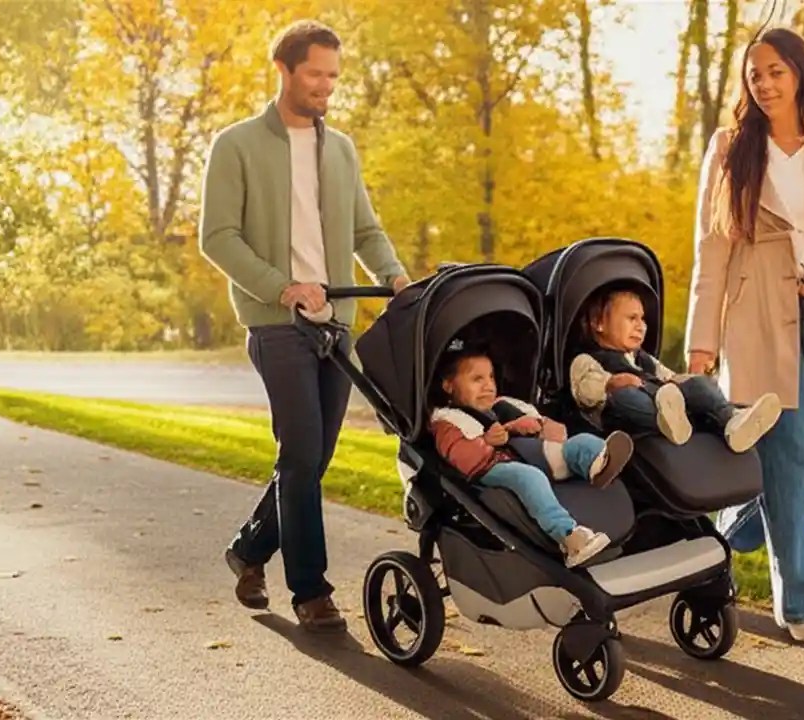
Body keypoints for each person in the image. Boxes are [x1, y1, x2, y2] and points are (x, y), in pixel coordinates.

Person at [198, 20, 411, 633]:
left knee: (312, 459)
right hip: (276, 323)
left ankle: (248, 549)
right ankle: (311, 591)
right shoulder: (235, 145)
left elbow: (366, 229)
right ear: (286, 70)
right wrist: (280, 286)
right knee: (300, 452)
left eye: (333, 76)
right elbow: (218, 238)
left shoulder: (340, 148)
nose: (326, 86)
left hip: (336, 322)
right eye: (315, 73)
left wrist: (395, 276)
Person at [684, 28, 804, 652]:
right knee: (790, 461)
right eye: (754, 76)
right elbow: (711, 251)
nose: (763, 84)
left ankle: (726, 530)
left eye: (775, 72)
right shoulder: (728, 148)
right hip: (752, 323)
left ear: (799, 71)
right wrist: (701, 342)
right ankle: (803, 603)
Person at [430, 342, 635, 568]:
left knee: (577, 444)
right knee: (529, 477)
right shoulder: (448, 421)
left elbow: (547, 428)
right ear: (448, 386)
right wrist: (486, 442)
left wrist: (539, 425)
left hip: (535, 453)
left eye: (491, 377)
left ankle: (597, 462)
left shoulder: (503, 406)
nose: (488, 385)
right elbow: (461, 457)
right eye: (477, 379)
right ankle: (569, 538)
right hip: (493, 466)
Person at [569, 286, 781, 451]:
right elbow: (585, 388)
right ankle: (667, 420)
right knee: (625, 396)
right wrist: (610, 383)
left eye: (642, 319)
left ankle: (732, 421)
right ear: (599, 323)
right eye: (631, 318)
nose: (641, 326)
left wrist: (685, 385)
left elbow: (670, 377)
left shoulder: (646, 360)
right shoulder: (587, 359)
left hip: (668, 403)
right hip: (629, 418)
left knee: (695, 383)